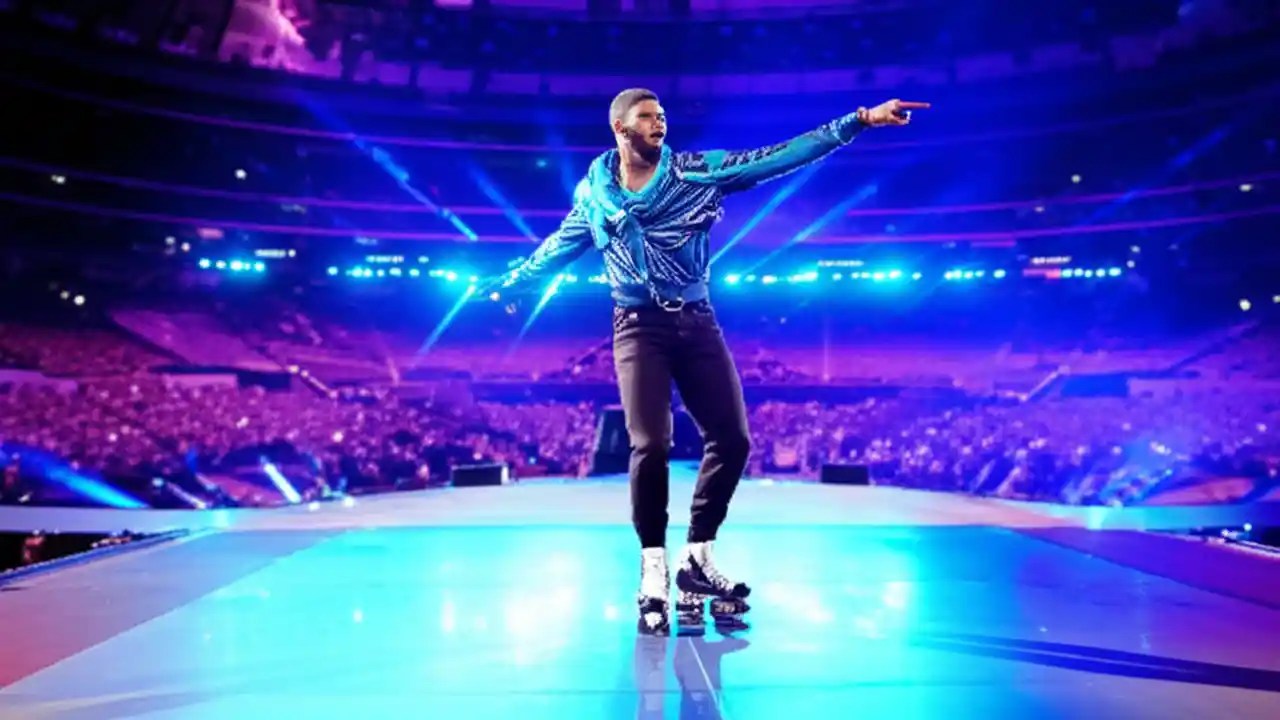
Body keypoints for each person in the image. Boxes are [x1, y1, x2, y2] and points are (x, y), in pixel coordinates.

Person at [481, 89, 929, 634]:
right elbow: (561, 244)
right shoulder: (595, 196)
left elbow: (777, 156)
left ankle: (697, 557)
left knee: (734, 439)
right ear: (621, 129)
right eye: (647, 117)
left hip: (696, 321)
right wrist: (513, 283)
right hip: (637, 327)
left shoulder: (696, 173)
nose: (659, 122)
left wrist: (857, 121)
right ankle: (652, 574)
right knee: (650, 444)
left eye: (663, 115)